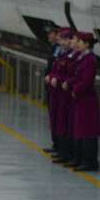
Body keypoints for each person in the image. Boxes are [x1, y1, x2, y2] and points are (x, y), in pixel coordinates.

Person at [59, 31, 100, 172]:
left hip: (87, 100)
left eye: (79, 41)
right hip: (81, 99)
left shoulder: (89, 60)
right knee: (81, 130)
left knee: (88, 132)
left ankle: (90, 161)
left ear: (86, 44)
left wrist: (75, 89)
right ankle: (82, 159)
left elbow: (87, 80)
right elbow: (78, 76)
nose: (75, 43)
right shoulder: (83, 58)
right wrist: (71, 83)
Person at [47, 29, 75, 166]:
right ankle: (61, 150)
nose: (62, 42)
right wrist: (52, 76)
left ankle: (66, 153)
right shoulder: (62, 55)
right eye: (61, 39)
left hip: (66, 94)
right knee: (59, 122)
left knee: (65, 124)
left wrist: (59, 79)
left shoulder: (71, 57)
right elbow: (55, 70)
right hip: (58, 93)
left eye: (65, 40)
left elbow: (72, 76)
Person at [43, 23, 63, 154]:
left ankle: (60, 146)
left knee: (58, 117)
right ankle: (56, 144)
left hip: (58, 87)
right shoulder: (54, 48)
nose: (48, 35)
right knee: (53, 116)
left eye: (50, 33)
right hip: (52, 86)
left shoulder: (60, 50)